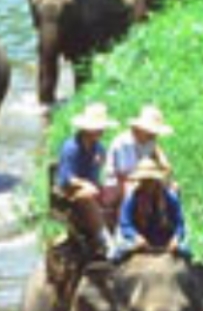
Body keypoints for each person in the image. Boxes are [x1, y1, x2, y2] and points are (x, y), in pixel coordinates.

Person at [55, 103, 118, 255]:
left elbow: (99, 174)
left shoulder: (99, 148)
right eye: (97, 128)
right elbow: (67, 178)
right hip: (70, 193)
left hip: (93, 188)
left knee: (115, 193)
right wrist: (86, 184)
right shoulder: (71, 148)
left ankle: (119, 232)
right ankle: (105, 239)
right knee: (88, 195)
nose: (100, 132)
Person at [114, 158, 189, 262]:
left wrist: (175, 238)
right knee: (116, 255)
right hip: (140, 238)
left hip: (163, 238)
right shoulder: (132, 198)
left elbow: (180, 223)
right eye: (145, 181)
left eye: (150, 180)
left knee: (186, 251)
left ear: (156, 180)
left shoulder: (169, 197)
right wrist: (135, 237)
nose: (148, 184)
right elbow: (125, 223)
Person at [107, 105, 174, 217]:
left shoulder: (149, 142)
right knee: (131, 189)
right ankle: (124, 226)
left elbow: (165, 165)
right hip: (118, 183)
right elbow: (124, 174)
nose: (154, 135)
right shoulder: (123, 143)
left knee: (172, 188)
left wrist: (163, 171)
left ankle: (168, 224)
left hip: (142, 178)